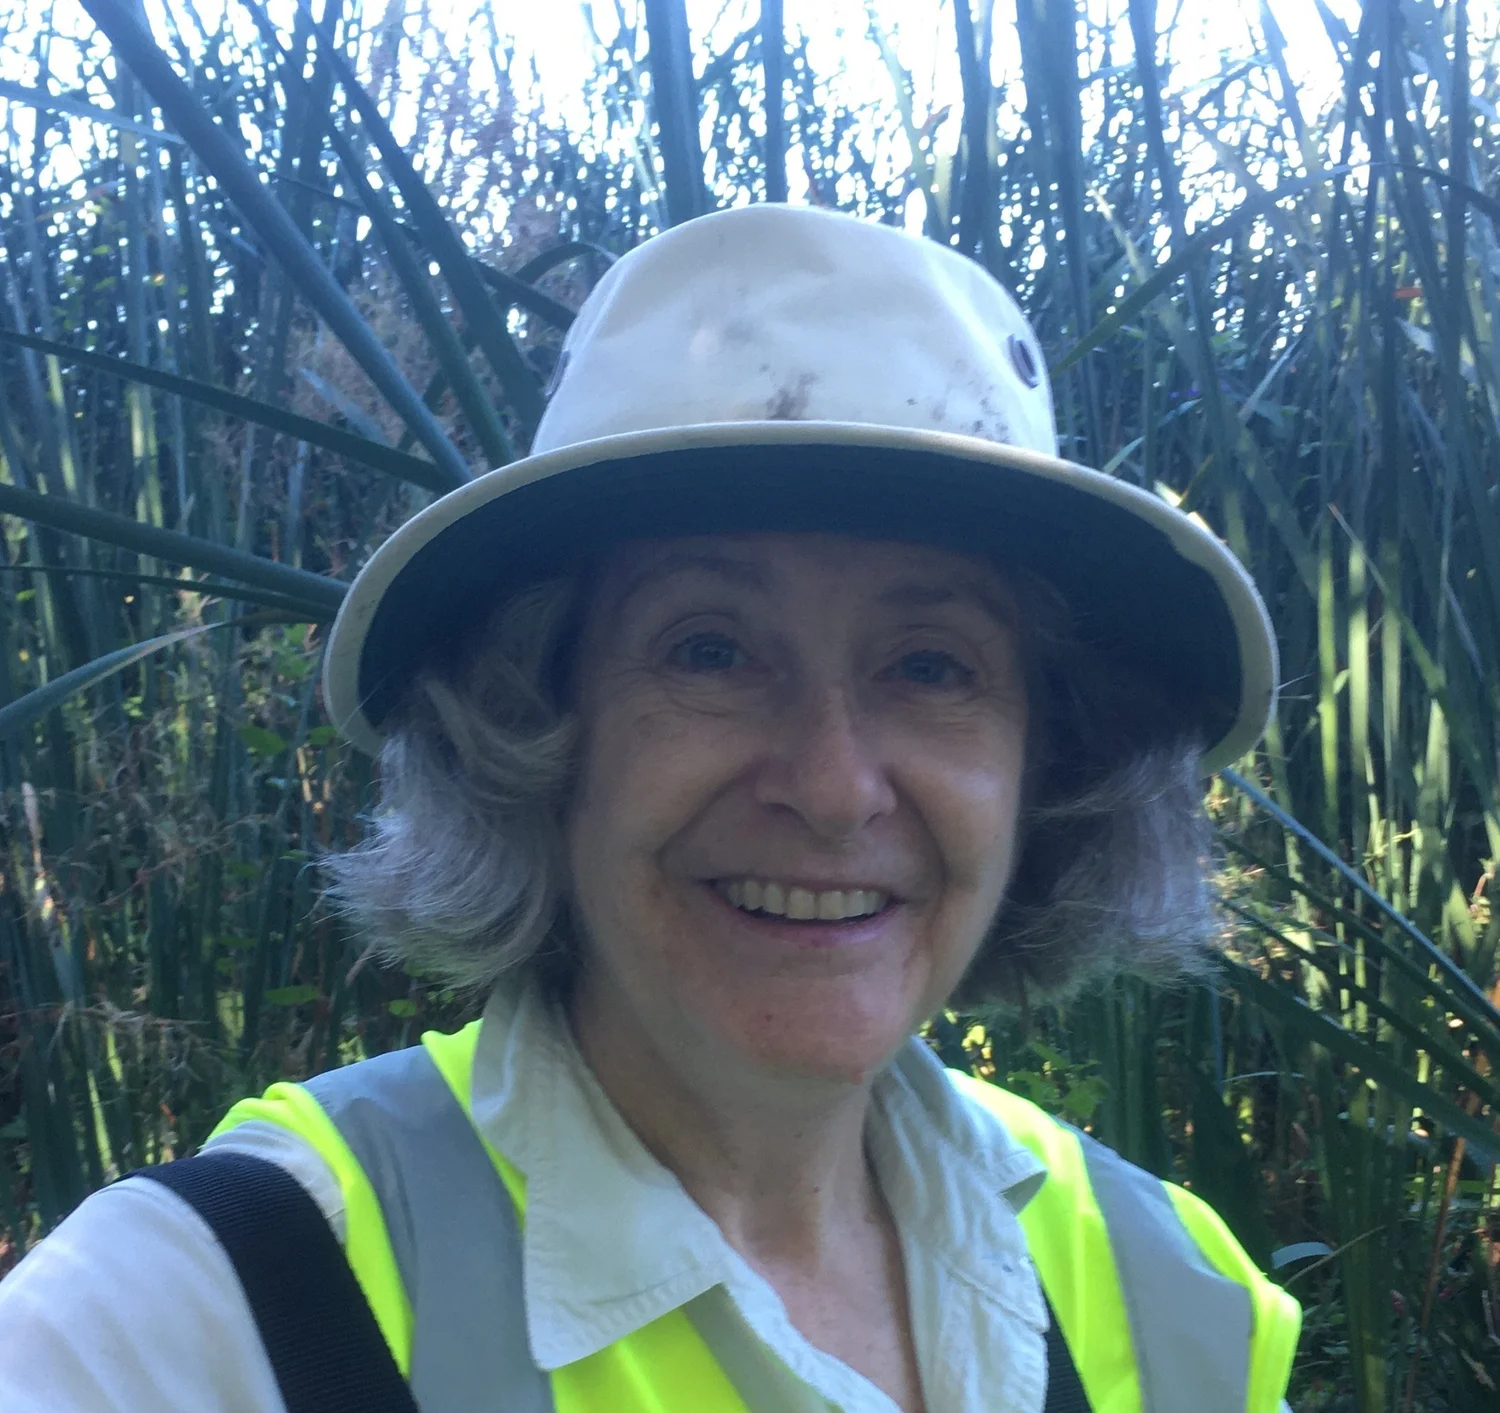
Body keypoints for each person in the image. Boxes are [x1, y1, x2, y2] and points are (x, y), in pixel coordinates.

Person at [0, 203, 1299, 1412]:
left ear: (1046, 767)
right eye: (710, 651)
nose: (833, 787)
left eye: (931, 668)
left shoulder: (1179, 1297)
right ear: (533, 731)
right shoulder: (213, 1311)